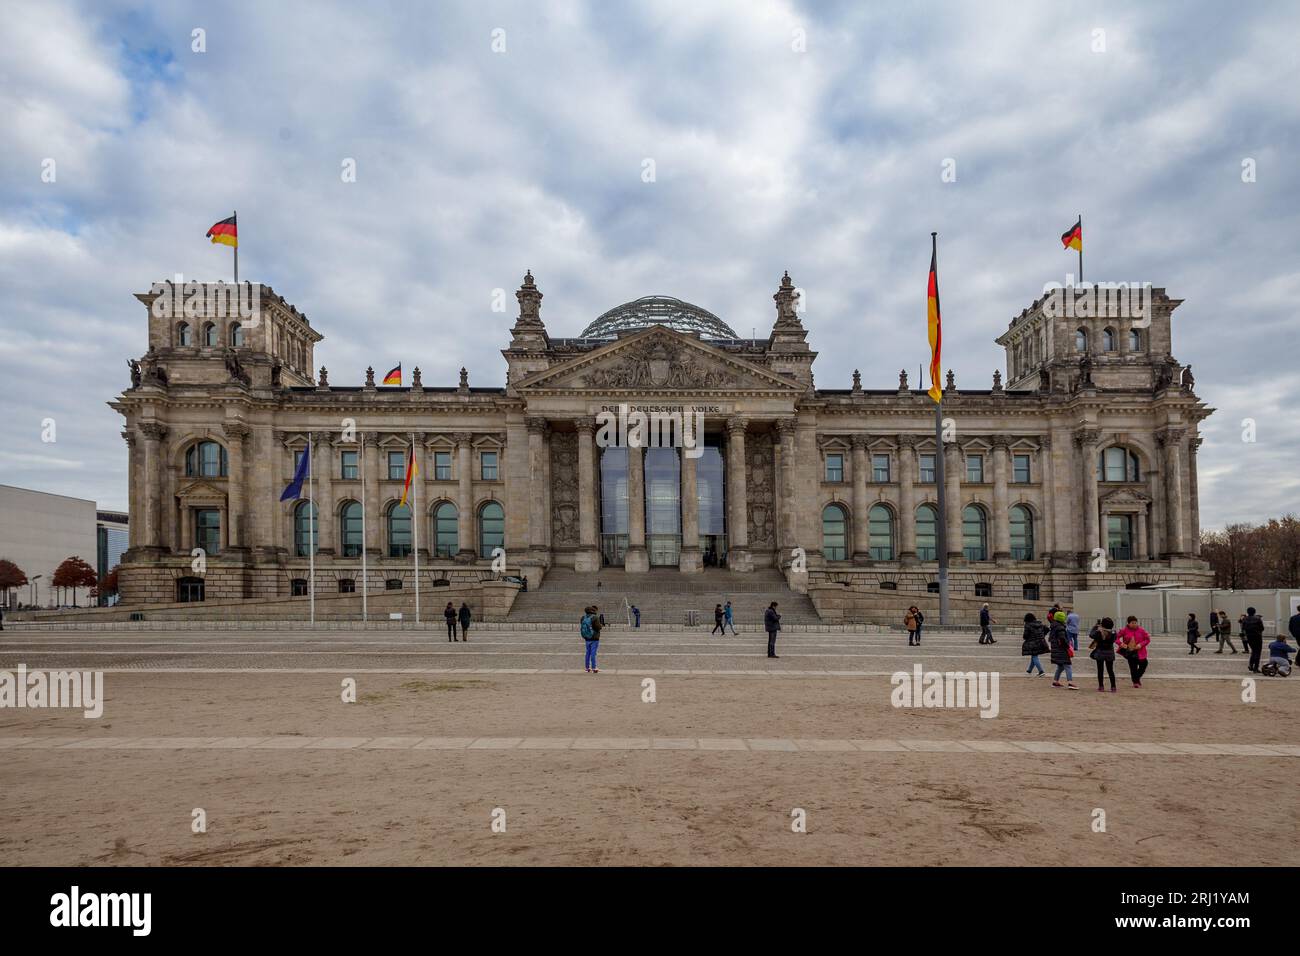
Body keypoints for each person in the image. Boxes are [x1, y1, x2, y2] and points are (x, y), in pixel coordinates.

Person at [1116, 615, 1151, 687]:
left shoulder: (1141, 630)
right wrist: (1120, 643)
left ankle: (1137, 678)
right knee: (1133, 667)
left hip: (1140, 651)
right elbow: (1116, 638)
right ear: (1128, 623)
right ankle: (1135, 682)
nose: (1134, 624)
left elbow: (1147, 639)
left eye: (1135, 622)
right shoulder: (1124, 630)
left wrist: (1141, 645)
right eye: (1132, 623)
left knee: (1144, 664)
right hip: (1130, 652)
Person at [1048, 611, 1077, 688]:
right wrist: (1068, 646)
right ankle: (1070, 683)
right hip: (1061, 649)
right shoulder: (1060, 628)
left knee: (1060, 666)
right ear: (1062, 619)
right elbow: (1062, 639)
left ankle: (1055, 682)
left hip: (1056, 649)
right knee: (1068, 665)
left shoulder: (1053, 626)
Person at [1090, 616, 1119, 693]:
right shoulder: (1113, 633)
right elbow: (1115, 639)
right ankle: (1113, 687)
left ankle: (1101, 686)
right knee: (1110, 670)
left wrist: (1096, 626)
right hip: (1110, 653)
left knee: (1100, 670)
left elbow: (1091, 635)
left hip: (1100, 653)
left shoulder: (1099, 632)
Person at [1242, 606, 1266, 673]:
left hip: (1249, 636)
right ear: (1254, 612)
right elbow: (1262, 628)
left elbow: (1243, 627)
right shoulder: (1258, 619)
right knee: (1258, 652)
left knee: (1253, 650)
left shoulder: (1245, 619)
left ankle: (1251, 665)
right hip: (1257, 636)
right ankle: (1255, 667)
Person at [581, 605, 600, 673]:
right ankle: (594, 667)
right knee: (593, 653)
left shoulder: (583, 617)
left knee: (587, 653)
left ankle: (587, 667)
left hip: (587, 638)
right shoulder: (595, 617)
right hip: (594, 638)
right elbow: (598, 627)